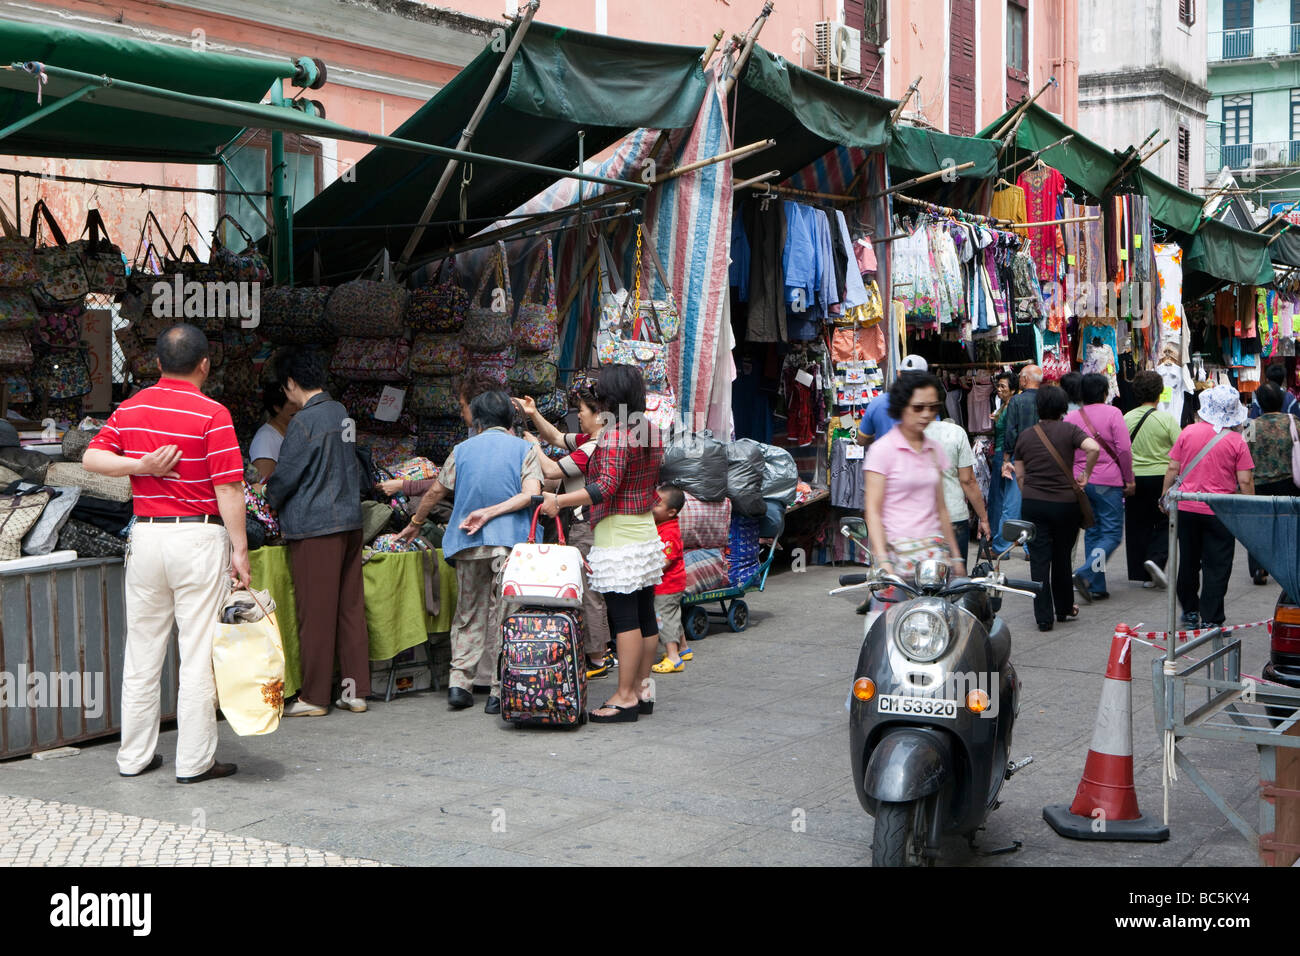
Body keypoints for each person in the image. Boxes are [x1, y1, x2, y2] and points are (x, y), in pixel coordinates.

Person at [83, 323, 249, 784]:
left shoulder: (132, 408)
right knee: (196, 654)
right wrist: (241, 550)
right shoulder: (213, 414)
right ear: (205, 365)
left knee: (142, 653)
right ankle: (194, 762)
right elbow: (229, 487)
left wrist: (138, 465)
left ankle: (133, 757)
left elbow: (91, 459)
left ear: (156, 364)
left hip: (147, 539)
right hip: (197, 540)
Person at [398, 390, 543, 714]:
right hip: (509, 546)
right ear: (509, 419)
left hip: (468, 544)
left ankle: (459, 684)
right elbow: (531, 496)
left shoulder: (461, 450)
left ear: (476, 421)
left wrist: (416, 522)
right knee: (506, 616)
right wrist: (495, 513)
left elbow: (437, 489)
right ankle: (497, 690)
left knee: (467, 614)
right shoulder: (526, 449)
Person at [540, 364, 664, 724]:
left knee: (624, 618)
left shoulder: (615, 436)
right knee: (644, 614)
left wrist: (559, 502)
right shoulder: (649, 430)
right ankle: (643, 688)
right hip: (644, 531)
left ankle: (625, 697)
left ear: (610, 396)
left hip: (618, 535)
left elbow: (605, 486)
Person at [264, 349, 371, 716]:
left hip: (315, 525)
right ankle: (353, 691)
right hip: (349, 520)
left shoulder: (303, 421)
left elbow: (286, 474)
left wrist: (267, 495)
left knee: (316, 613)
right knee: (350, 608)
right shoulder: (341, 412)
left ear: (291, 383)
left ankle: (313, 697)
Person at [514, 386, 613, 680]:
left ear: (599, 415)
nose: (578, 416)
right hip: (589, 527)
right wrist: (533, 415)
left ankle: (597, 658)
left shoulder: (593, 448)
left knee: (589, 593)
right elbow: (556, 438)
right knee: (588, 591)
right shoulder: (589, 439)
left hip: (586, 528)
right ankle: (598, 652)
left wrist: (526, 440)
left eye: (582, 411)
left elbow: (553, 471)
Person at [1160, 384, 1255, 629]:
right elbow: (1245, 480)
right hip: (1220, 511)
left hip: (1188, 507)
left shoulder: (1188, 432)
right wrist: (1249, 510)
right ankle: (1212, 617)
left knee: (1188, 561)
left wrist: (1164, 495)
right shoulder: (1237, 441)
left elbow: (1173, 467)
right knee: (1218, 565)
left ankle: (1190, 611)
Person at [1013, 384, 1100, 631]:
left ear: (1038, 407)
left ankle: (1043, 618)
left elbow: (1020, 475)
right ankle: (1063, 608)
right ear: (1063, 407)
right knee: (1062, 557)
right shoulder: (1070, 430)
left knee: (1039, 561)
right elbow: (1093, 448)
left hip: (1033, 504)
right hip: (1065, 505)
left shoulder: (1026, 435)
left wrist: (1030, 494)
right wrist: (1085, 474)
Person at [863, 372, 963, 585]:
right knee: (890, 619)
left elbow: (941, 508)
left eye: (933, 407)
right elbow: (872, 511)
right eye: (918, 407)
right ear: (901, 406)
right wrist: (882, 561)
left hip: (935, 562)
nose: (926, 414)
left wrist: (955, 556)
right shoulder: (882, 450)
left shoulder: (934, 449)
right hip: (896, 560)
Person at [1066, 372, 1135, 602]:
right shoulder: (1114, 413)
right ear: (1105, 393)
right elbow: (1124, 449)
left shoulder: (1072, 417)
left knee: (1093, 531)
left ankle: (1095, 585)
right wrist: (1129, 478)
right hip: (1108, 480)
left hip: (1080, 481)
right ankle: (1086, 572)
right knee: (1113, 534)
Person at [1123, 370, 1180, 589]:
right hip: (1162, 478)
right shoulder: (1167, 420)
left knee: (1138, 524)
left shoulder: (1126, 418)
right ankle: (1156, 559)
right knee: (1167, 520)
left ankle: (1142, 573)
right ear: (1159, 392)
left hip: (1135, 477)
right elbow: (1179, 450)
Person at [925, 399, 992, 570]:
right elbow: (968, 480)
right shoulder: (955, 432)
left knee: (920, 581)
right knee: (955, 581)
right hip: (953, 515)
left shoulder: (903, 434)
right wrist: (983, 518)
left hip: (918, 520)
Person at [1245, 382, 1300, 586]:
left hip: (1259, 483)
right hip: (1289, 482)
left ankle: (1260, 568)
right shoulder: (1292, 421)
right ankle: (1288, 566)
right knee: (1289, 526)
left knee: (1260, 526)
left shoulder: (1251, 425)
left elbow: (1244, 453)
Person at [995, 364, 1044, 555]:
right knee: (1036, 503)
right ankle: (1032, 548)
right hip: (1041, 459)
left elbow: (1011, 431)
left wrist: (1006, 459)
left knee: (1011, 504)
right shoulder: (1047, 399)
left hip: (1020, 458)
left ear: (1024, 380)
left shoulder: (1017, 401)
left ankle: (1002, 547)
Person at [650, 486, 689, 673]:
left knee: (663, 618)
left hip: (667, 585)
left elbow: (666, 560)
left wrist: (647, 571)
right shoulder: (664, 526)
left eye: (656, 504)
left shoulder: (668, 532)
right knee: (673, 615)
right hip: (672, 584)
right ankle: (683, 648)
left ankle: (673, 657)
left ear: (671, 512)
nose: (651, 506)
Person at [856, 354, 929, 446]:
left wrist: (880, 435)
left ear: (899, 374)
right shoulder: (929, 406)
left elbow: (861, 440)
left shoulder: (877, 403)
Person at [248, 382, 301, 482]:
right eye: (292, 404)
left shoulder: (295, 430)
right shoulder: (265, 439)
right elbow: (263, 484)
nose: (298, 407)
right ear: (277, 407)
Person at [987, 370, 1017, 542]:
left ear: (1012, 390)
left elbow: (1010, 432)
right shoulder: (1005, 405)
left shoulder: (1011, 405)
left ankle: (999, 538)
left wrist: (1005, 458)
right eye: (998, 386)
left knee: (999, 497)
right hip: (1001, 452)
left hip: (1003, 454)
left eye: (1002, 386)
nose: (998, 389)